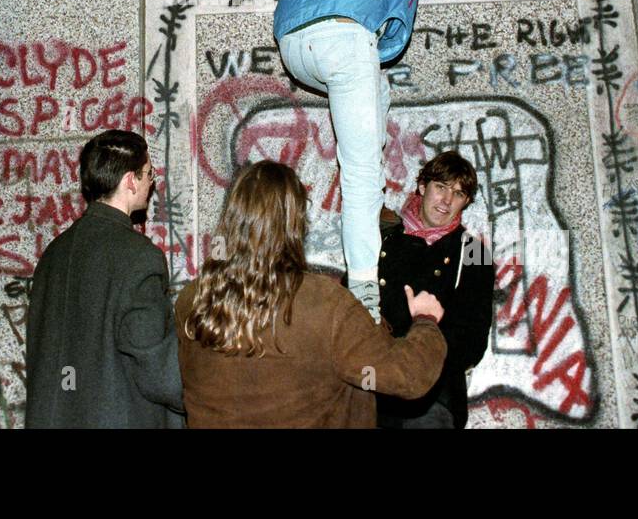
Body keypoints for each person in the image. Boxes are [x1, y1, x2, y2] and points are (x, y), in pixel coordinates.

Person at [269, 0, 485, 319]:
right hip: (345, 34)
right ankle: (365, 288)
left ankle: (375, 170)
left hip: (292, 40)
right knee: (361, 172)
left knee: (377, 90)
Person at [175, 160, 448, 427]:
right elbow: (406, 377)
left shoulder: (192, 300)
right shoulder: (327, 305)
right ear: (295, 222)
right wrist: (426, 322)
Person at [26, 129, 184, 428]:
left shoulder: (52, 255)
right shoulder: (141, 257)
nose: (152, 182)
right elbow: (156, 371)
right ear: (130, 180)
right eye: (149, 173)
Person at [377, 151, 494, 429]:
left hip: (434, 397)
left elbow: (473, 340)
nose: (447, 200)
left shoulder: (475, 252)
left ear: (465, 202)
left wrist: (420, 354)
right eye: (440, 187)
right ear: (422, 187)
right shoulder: (382, 238)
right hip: (374, 388)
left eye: (458, 194)